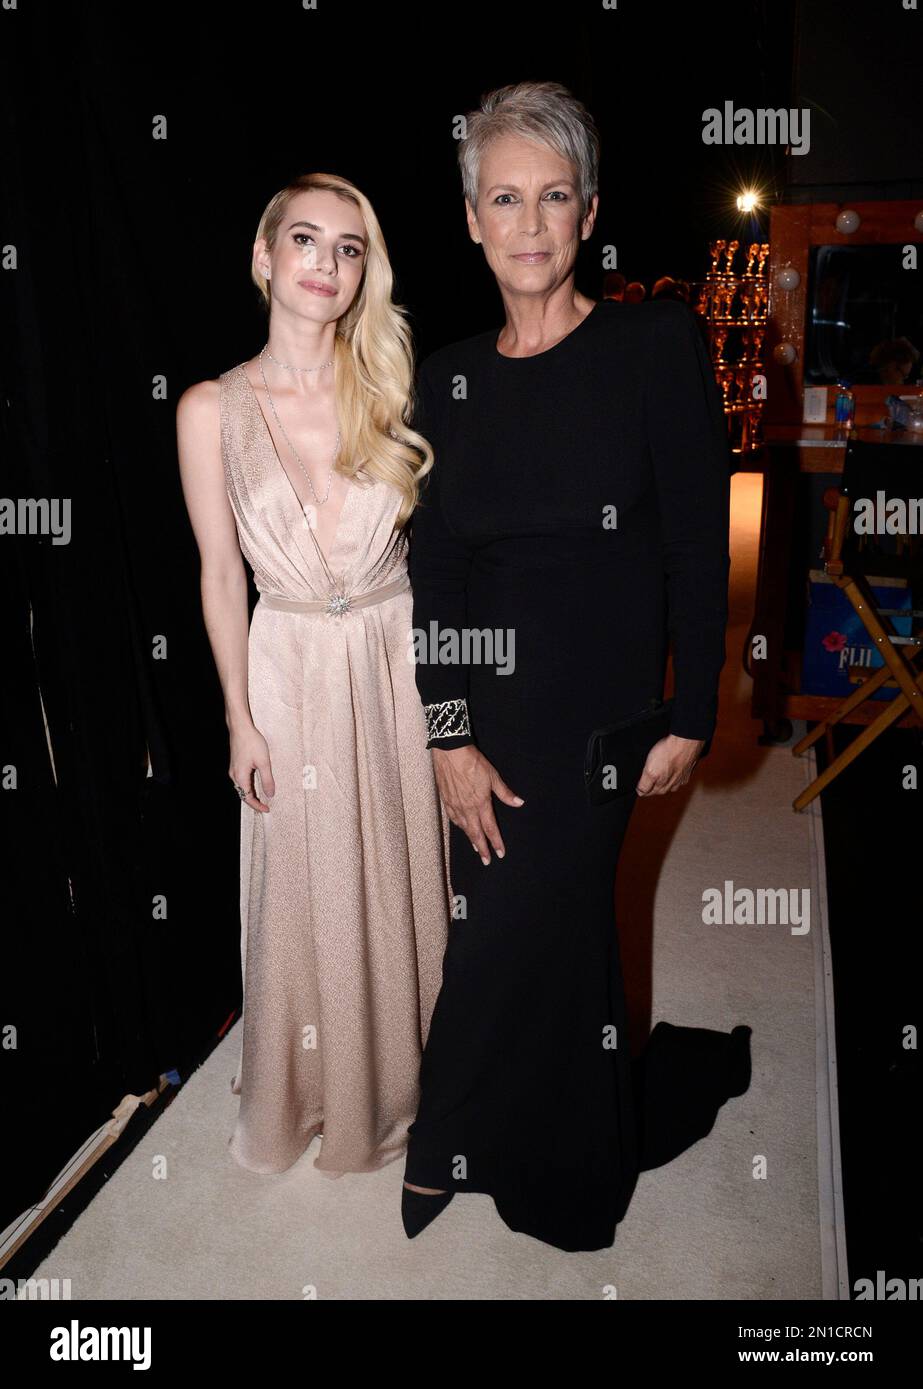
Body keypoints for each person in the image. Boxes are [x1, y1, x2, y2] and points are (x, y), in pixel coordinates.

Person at [401, 81, 751, 1252]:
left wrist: (690, 709)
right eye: (505, 197)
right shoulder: (446, 374)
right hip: (486, 707)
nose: (531, 222)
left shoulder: (652, 342)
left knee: (525, 924)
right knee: (506, 923)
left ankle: (481, 1141)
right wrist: (447, 732)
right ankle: (494, 1125)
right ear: (469, 220)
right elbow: (436, 572)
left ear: (588, 210)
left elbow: (700, 544)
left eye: (554, 195)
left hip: (601, 715)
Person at [176, 173, 451, 1181]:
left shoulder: (388, 385)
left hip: (391, 656)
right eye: (305, 240)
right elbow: (215, 573)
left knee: (396, 869)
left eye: (348, 248)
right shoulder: (209, 408)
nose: (326, 264)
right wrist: (238, 720)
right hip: (285, 658)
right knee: (301, 887)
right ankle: (304, 1090)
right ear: (262, 258)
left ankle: (401, 1087)